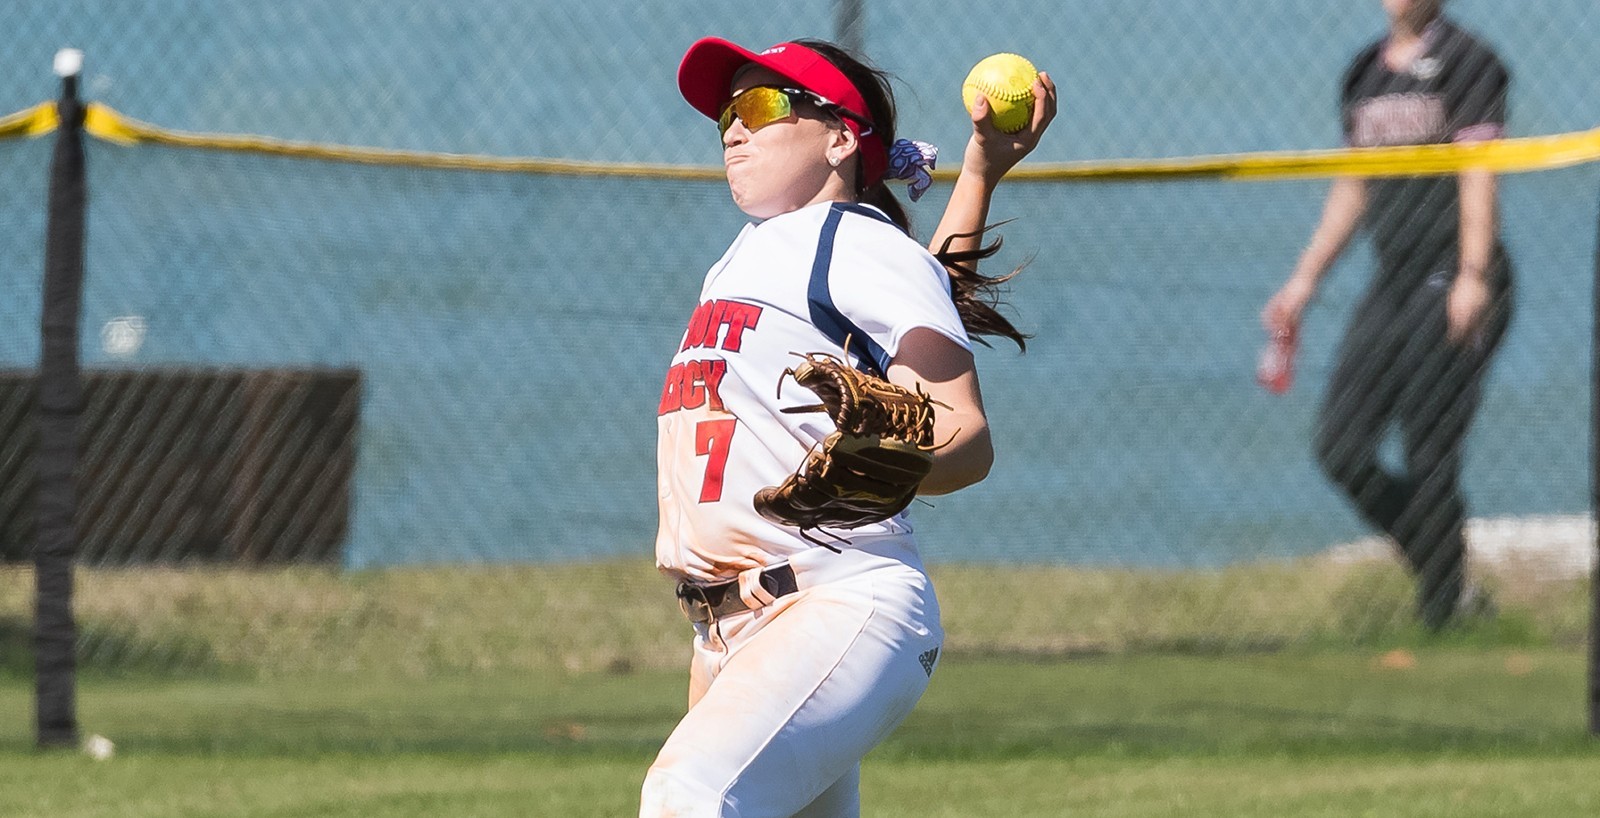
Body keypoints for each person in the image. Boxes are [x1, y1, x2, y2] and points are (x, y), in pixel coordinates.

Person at [642, 36, 1055, 817]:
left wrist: (892, 462)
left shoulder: (850, 239)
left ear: (839, 137)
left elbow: (966, 432)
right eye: (726, 112)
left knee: (687, 793)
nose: (734, 127)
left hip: (834, 601)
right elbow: (926, 288)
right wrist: (977, 177)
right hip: (728, 631)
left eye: (762, 105)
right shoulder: (752, 257)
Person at [1261, 0, 1512, 631]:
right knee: (1341, 448)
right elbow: (1355, 184)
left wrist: (1473, 275)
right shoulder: (1361, 73)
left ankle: (1445, 612)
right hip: (1394, 277)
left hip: (1455, 271)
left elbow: (1479, 170)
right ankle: (1444, 572)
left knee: (1431, 452)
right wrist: (1302, 283)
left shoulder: (1469, 61)